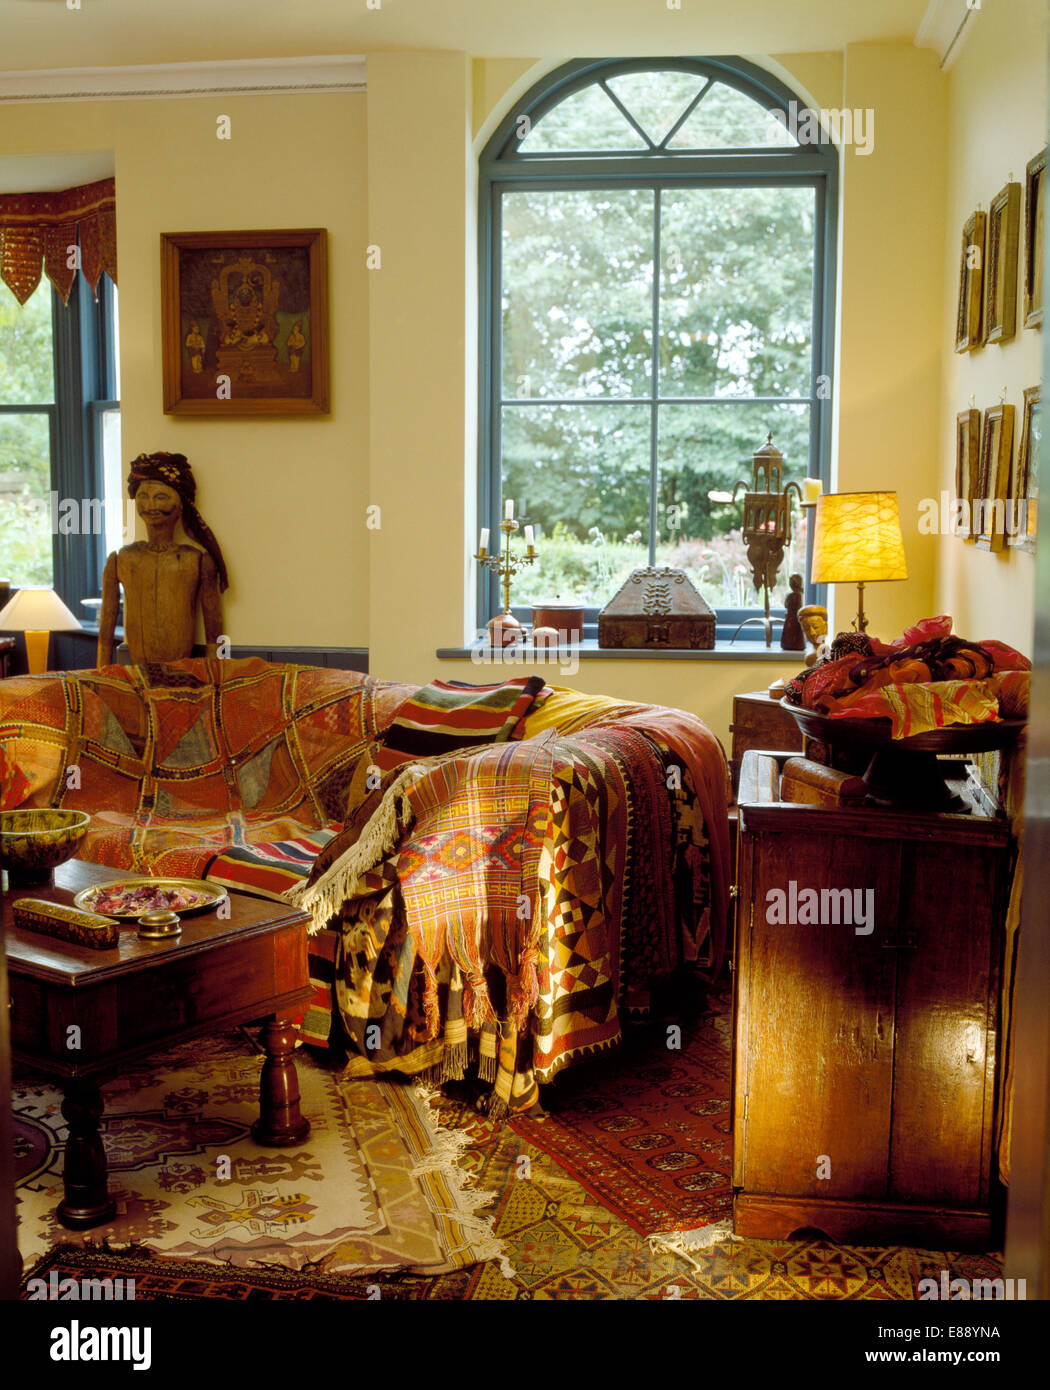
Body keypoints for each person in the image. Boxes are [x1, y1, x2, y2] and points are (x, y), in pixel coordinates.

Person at [97, 453, 229, 666]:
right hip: (137, 675)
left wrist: (217, 676)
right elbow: (105, 635)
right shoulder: (122, 559)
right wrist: (100, 678)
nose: (150, 505)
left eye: (161, 497)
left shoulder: (196, 560)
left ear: (180, 505)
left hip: (184, 675)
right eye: (143, 496)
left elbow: (215, 635)